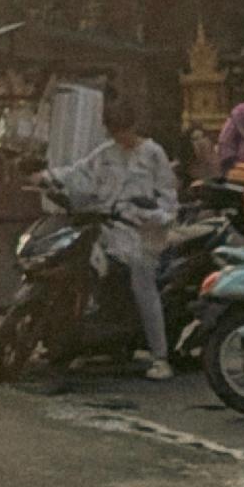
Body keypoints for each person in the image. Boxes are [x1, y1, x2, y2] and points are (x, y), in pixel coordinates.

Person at [59, 93, 180, 381]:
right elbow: (76, 175)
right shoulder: (105, 154)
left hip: (145, 233)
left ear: (134, 126)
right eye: (115, 132)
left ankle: (160, 356)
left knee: (142, 280)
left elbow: (168, 197)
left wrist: (155, 215)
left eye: (124, 131)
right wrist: (44, 177)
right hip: (109, 229)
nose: (120, 137)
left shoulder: (153, 153)